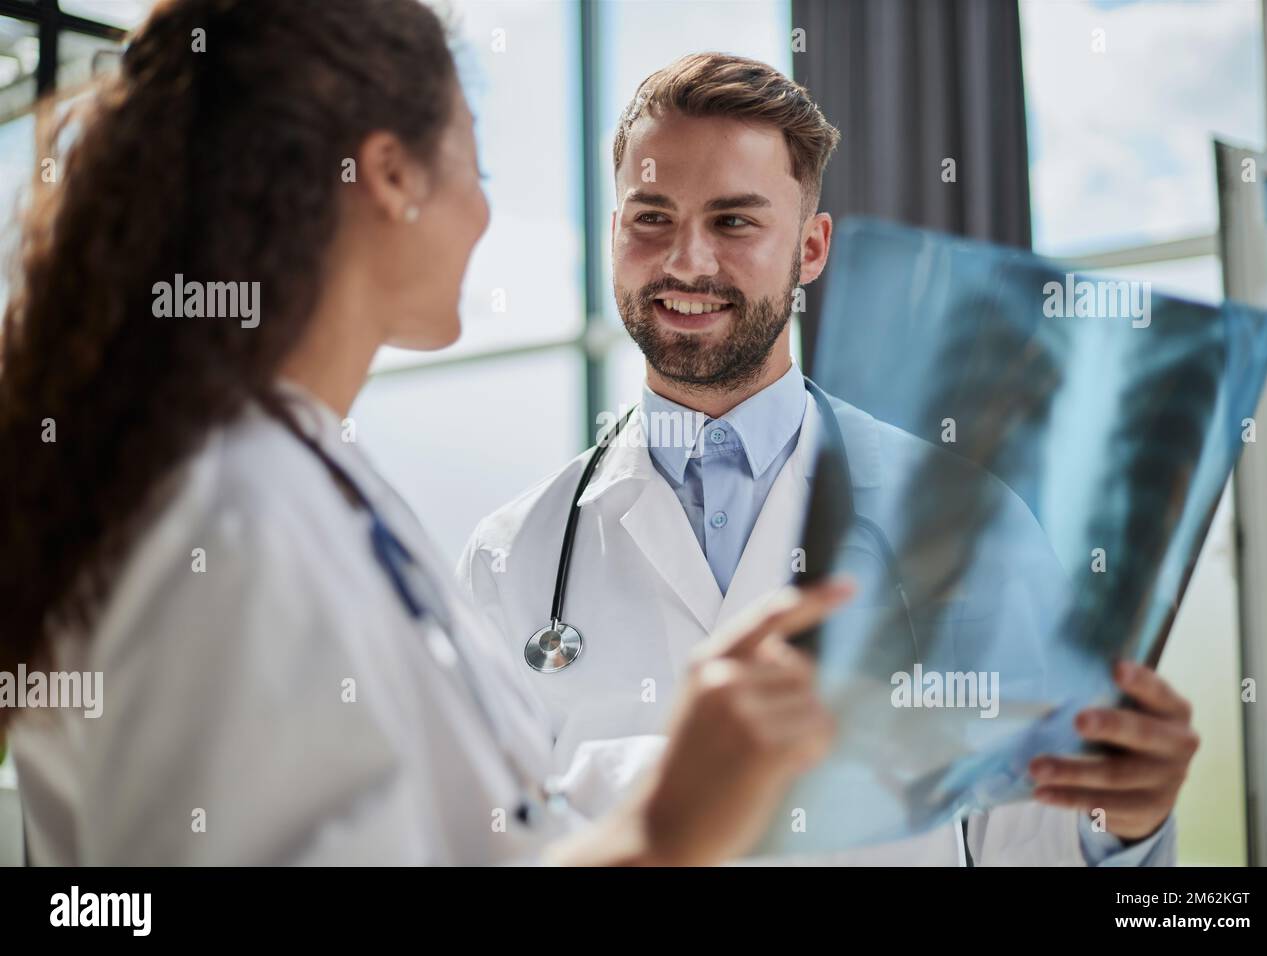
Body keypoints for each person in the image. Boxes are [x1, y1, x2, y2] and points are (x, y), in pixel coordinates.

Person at [0, 0, 852, 866]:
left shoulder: (306, 480)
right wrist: (663, 834)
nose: (485, 212)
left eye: (735, 220)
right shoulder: (230, 514)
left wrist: (690, 771)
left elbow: (489, 823)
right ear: (391, 176)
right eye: (473, 161)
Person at [457, 54, 1199, 864]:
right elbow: (478, 844)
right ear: (613, 234)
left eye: (734, 221)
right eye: (651, 217)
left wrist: (1127, 822)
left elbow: (1036, 844)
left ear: (811, 250)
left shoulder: (968, 521)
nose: (687, 263)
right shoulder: (513, 555)